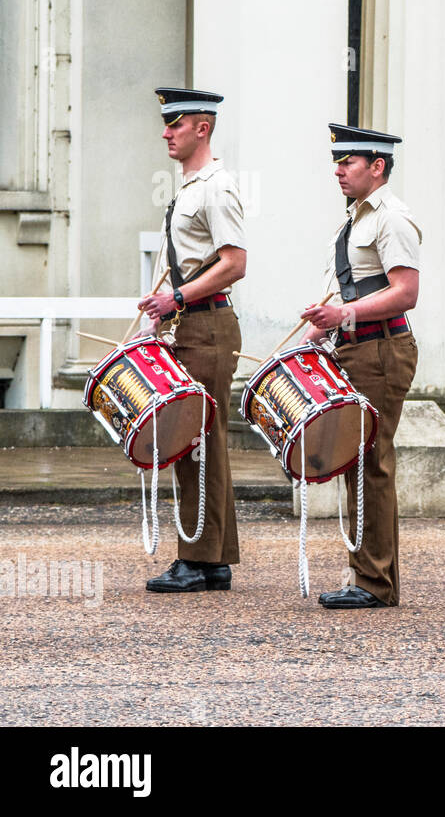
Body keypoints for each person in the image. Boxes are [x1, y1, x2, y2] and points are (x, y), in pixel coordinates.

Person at [301, 124, 420, 609]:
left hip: (381, 349)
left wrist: (344, 315)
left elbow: (405, 292)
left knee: (372, 462)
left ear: (377, 166)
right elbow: (355, 289)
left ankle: (374, 581)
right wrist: (321, 329)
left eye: (348, 162)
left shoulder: (392, 217)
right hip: (356, 346)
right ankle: (371, 575)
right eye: (337, 161)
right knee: (360, 462)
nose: (338, 170)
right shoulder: (356, 218)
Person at [138, 88, 246, 594]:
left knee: (199, 439)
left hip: (207, 324)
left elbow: (234, 264)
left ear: (202, 128)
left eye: (176, 123)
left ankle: (201, 559)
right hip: (191, 323)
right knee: (197, 440)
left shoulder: (216, 187)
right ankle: (213, 558)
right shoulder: (189, 187)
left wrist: (177, 299)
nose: (166, 132)